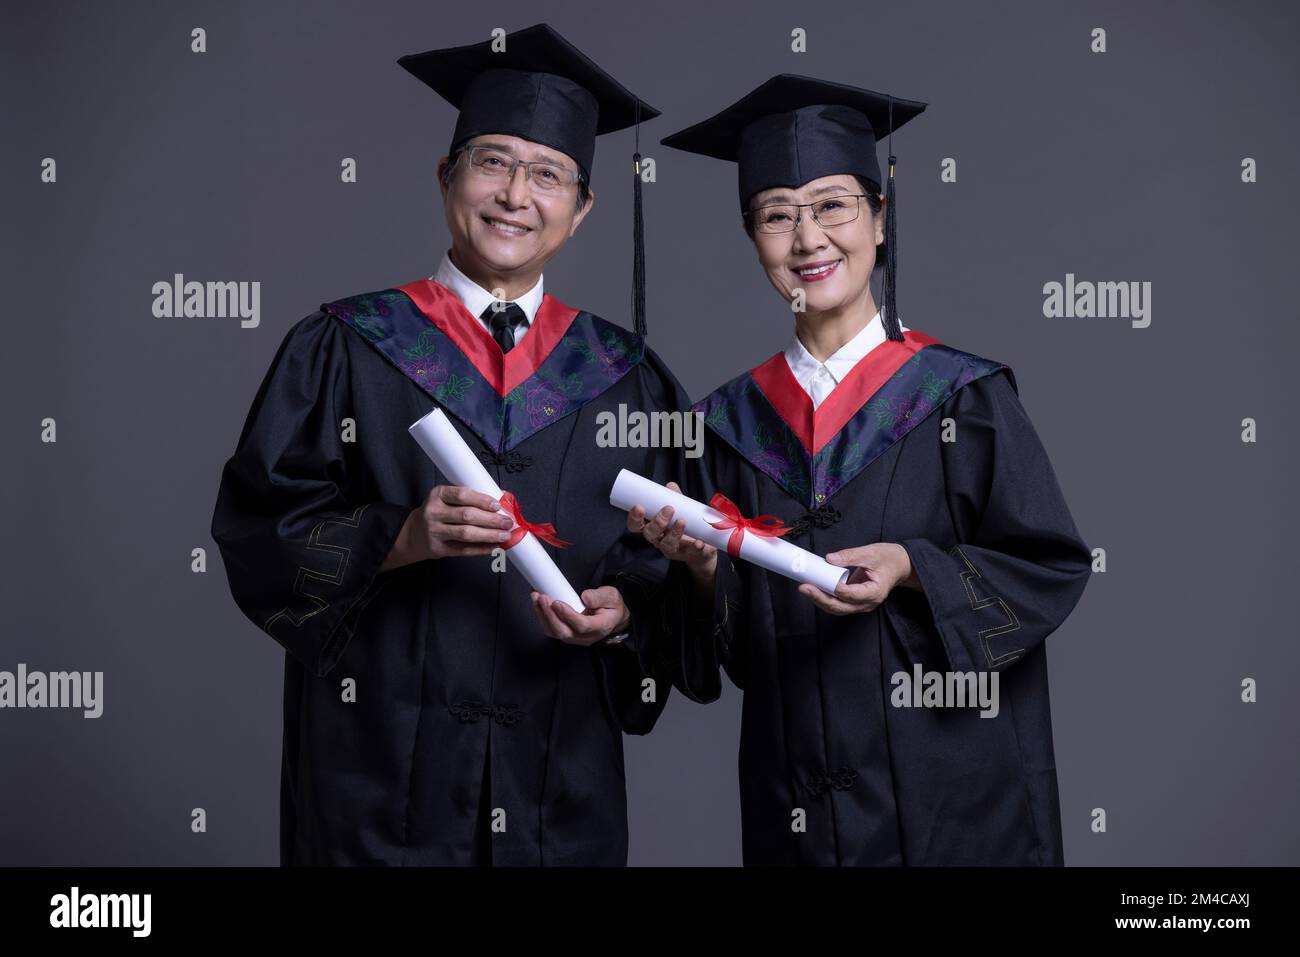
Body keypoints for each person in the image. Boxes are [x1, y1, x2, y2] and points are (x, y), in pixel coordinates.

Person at [210, 24, 686, 866]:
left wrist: (626, 616)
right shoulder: (345, 345)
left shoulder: (627, 377)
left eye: (547, 174)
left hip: (556, 787)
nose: (514, 194)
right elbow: (256, 532)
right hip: (375, 781)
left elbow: (670, 562)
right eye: (492, 161)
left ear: (579, 212)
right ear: (447, 176)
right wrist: (398, 537)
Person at [628, 74, 1092, 865]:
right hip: (797, 806)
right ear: (754, 240)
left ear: (880, 218)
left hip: (961, 806)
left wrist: (915, 567)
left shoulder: (962, 397)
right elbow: (727, 656)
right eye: (777, 214)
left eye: (833, 205)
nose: (808, 239)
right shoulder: (726, 425)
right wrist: (703, 571)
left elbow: (1048, 566)